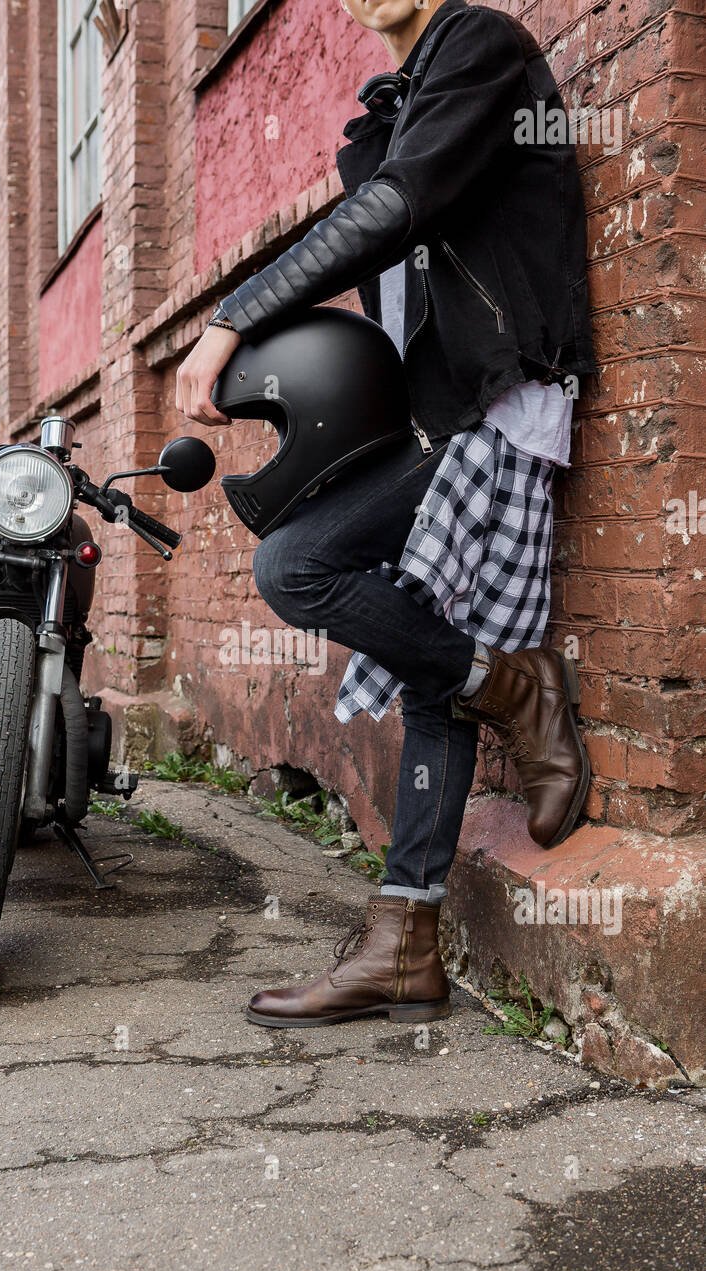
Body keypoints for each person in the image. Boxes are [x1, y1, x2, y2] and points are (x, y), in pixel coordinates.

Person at [176, 0, 596, 1029]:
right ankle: (406, 938)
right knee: (424, 665)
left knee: (293, 568)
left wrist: (234, 315)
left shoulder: (480, 50)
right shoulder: (393, 110)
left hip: (493, 400)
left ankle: (508, 690)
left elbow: (403, 204)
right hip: (429, 412)